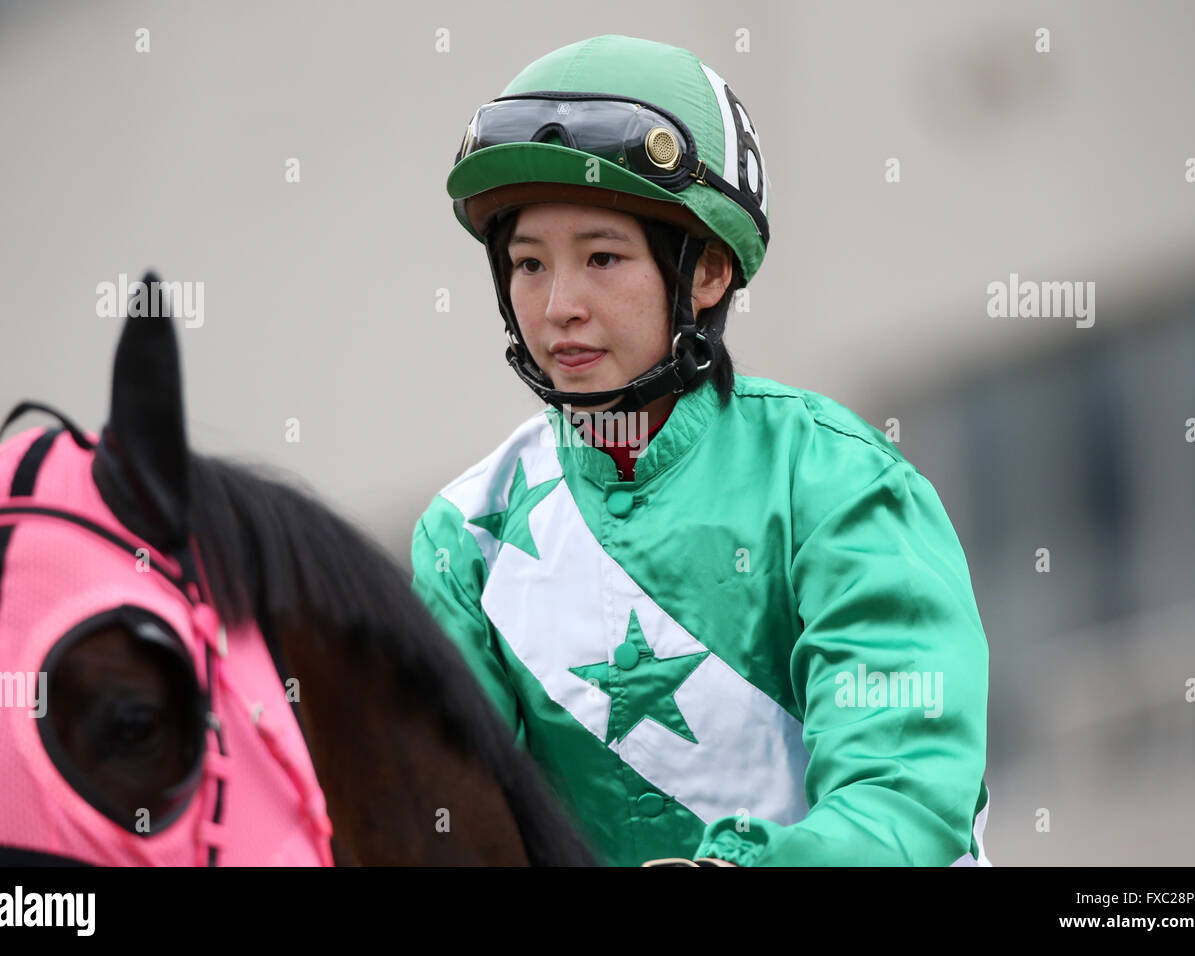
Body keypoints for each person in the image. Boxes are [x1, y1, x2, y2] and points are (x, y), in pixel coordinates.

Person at [411, 34, 991, 867]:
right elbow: (447, 832)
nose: (558, 305)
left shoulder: (836, 481)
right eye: (528, 264)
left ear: (709, 271)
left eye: (602, 257)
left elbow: (905, 799)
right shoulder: (465, 537)